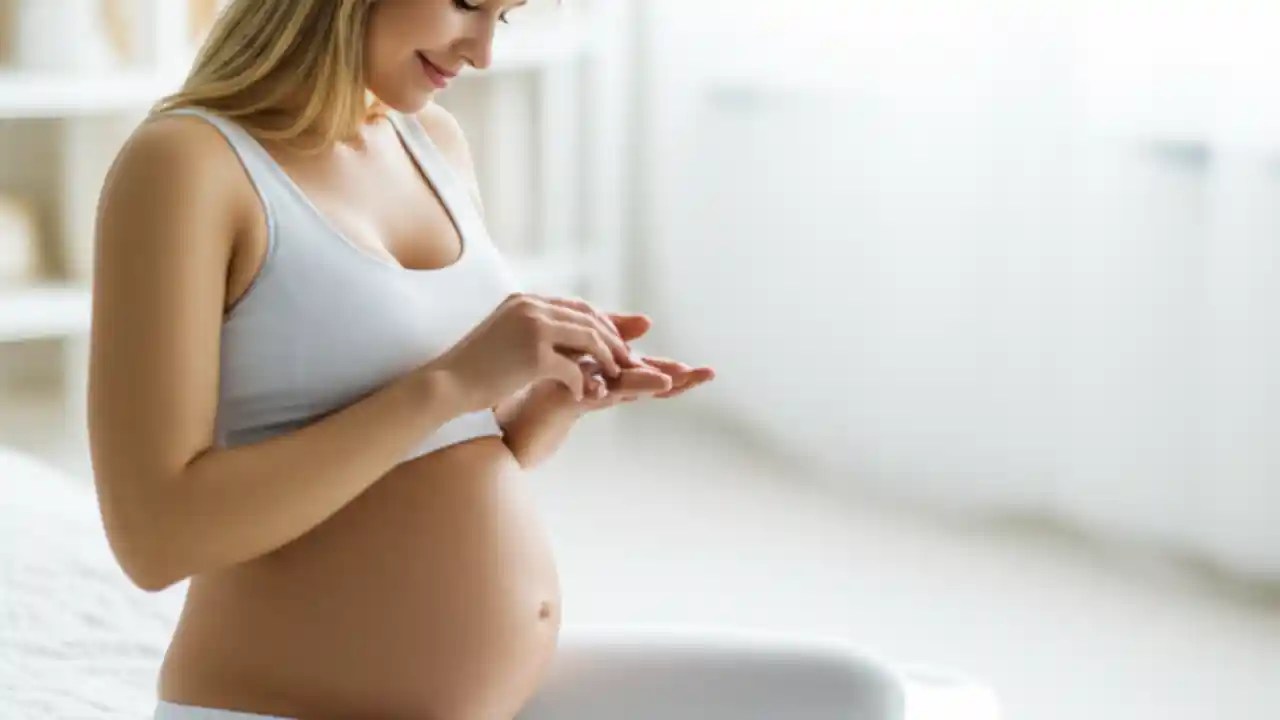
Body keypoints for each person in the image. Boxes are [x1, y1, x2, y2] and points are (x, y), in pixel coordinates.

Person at [88, 1, 902, 718]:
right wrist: (454, 381)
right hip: (283, 709)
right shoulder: (185, 164)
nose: (483, 51)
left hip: (494, 696)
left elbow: (434, 460)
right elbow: (155, 538)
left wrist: (542, 406)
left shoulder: (432, 142)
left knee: (856, 696)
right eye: (467, 4)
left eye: (505, 17)